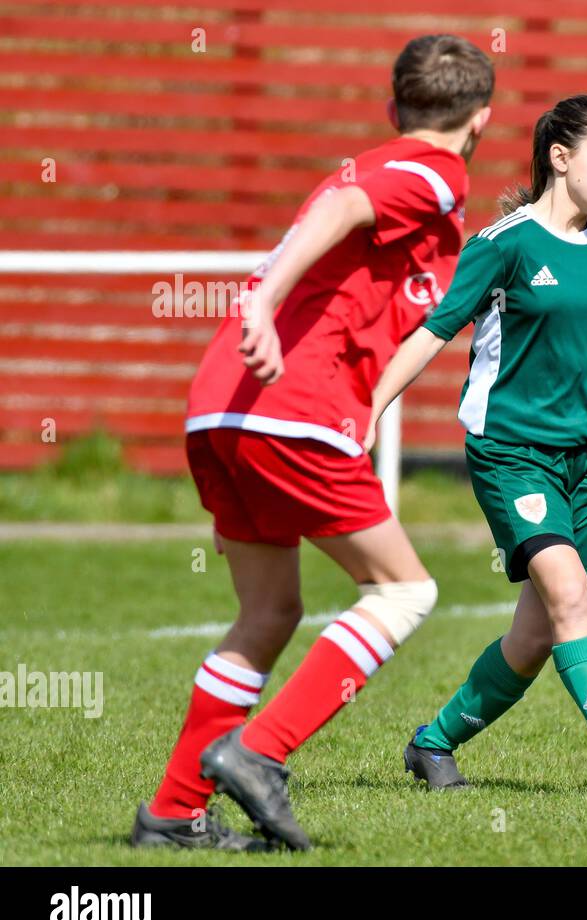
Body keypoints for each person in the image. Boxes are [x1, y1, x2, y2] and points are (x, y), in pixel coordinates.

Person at [130, 34, 494, 852]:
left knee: (269, 611)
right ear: (482, 120)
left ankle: (173, 815)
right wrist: (262, 305)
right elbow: (346, 210)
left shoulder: (374, 168)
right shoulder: (435, 172)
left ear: (392, 105)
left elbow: (352, 229)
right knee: (405, 593)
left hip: (224, 405)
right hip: (291, 406)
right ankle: (258, 755)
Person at [367, 94, 587, 796]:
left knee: (535, 638)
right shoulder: (503, 246)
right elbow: (434, 332)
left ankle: (432, 743)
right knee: (568, 595)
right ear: (561, 158)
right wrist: (373, 405)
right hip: (512, 453)